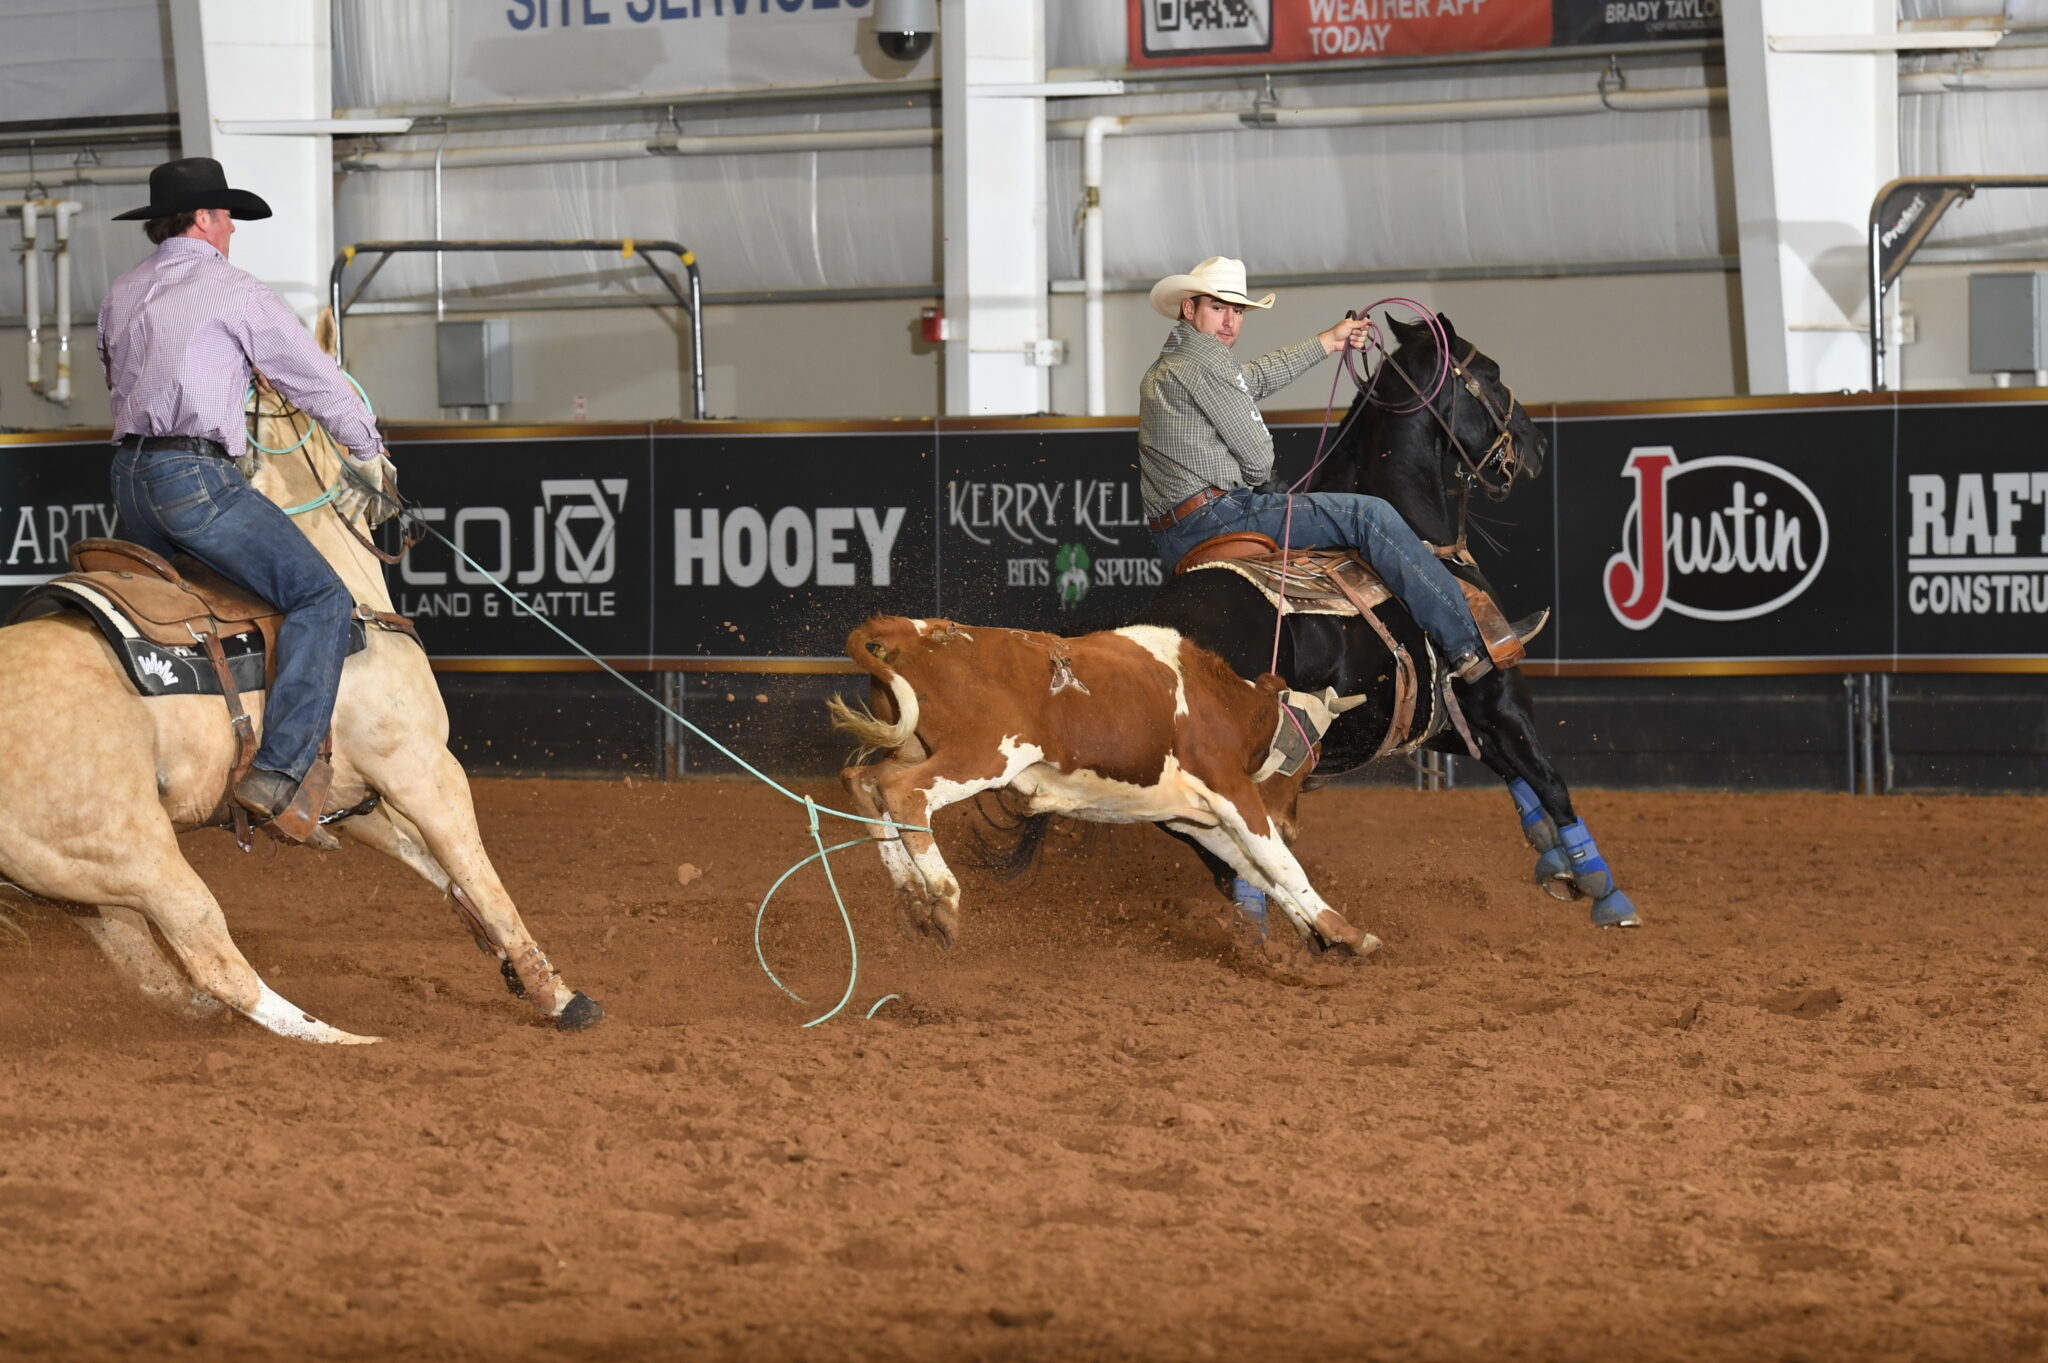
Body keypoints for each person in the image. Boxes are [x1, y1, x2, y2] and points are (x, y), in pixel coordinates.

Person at [99, 157, 388, 847]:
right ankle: (281, 774)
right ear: (203, 219)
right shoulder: (233, 290)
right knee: (321, 597)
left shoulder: (121, 291)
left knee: (208, 615)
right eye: (226, 215)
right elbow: (317, 380)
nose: (231, 228)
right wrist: (368, 450)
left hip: (127, 481)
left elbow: (120, 370)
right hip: (193, 481)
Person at [1138, 256, 1510, 682]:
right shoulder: (1206, 363)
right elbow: (1258, 459)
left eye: (1237, 311)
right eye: (1218, 308)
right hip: (1218, 517)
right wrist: (1268, 479)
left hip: (1174, 533)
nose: (1229, 322)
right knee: (1369, 515)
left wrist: (1328, 342)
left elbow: (1253, 379)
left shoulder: (1172, 366)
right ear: (1190, 309)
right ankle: (1466, 643)